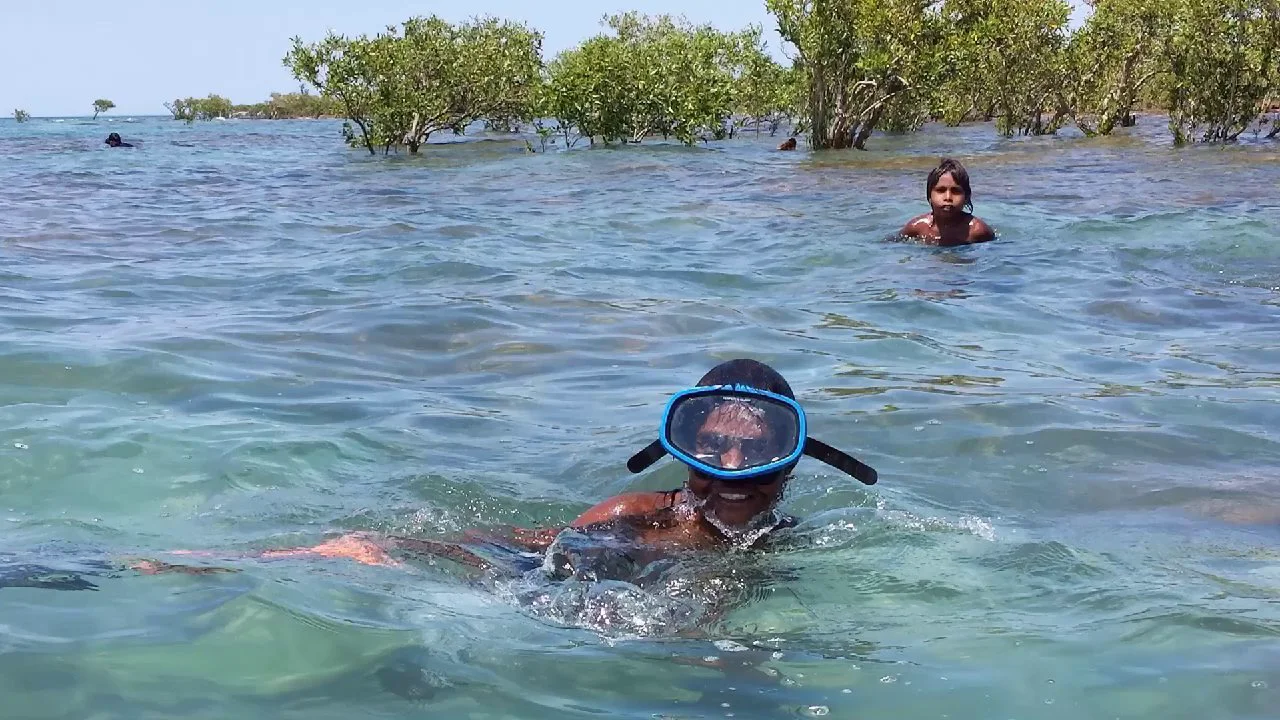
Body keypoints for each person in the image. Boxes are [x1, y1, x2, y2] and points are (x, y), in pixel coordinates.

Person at [227, 359, 879, 569]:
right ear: (682, 458)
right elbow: (524, 551)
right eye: (709, 450)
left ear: (790, 466)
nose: (732, 474)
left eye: (757, 455)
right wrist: (390, 547)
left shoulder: (787, 540)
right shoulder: (640, 521)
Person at [899, 157, 996, 246]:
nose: (948, 197)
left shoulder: (977, 230)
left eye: (956, 191)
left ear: (966, 197)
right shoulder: (917, 227)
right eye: (941, 190)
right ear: (929, 197)